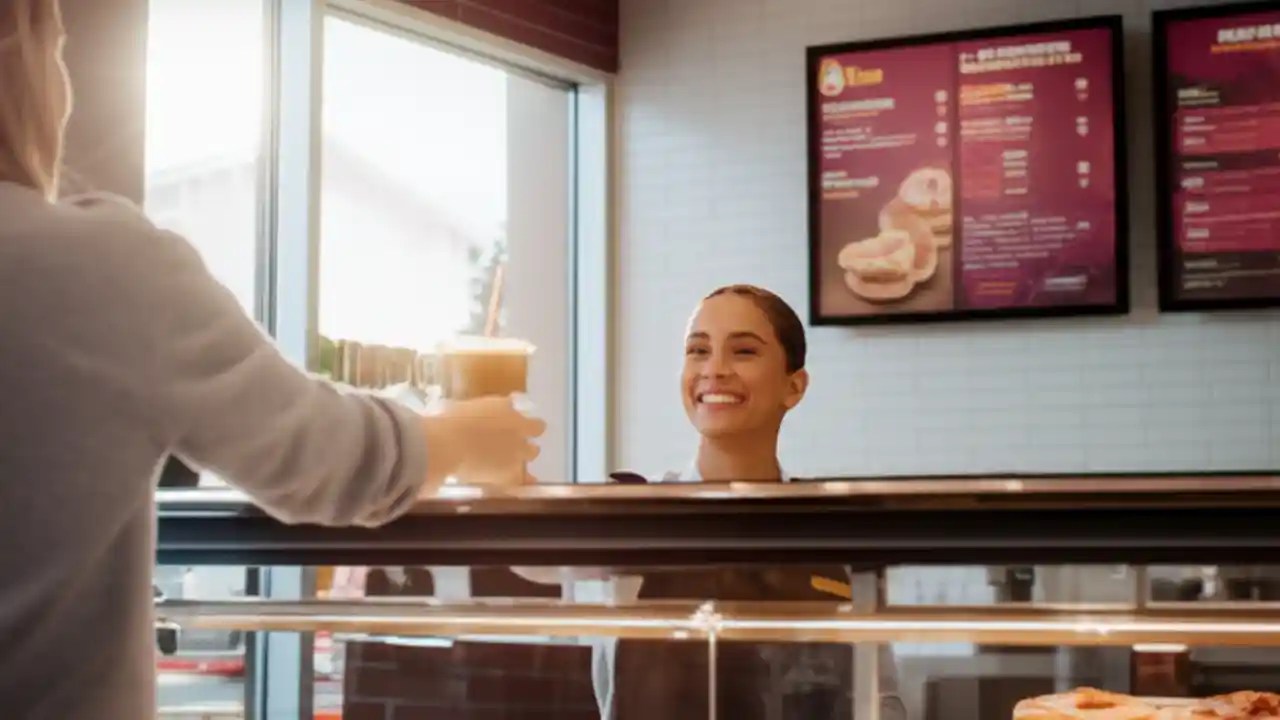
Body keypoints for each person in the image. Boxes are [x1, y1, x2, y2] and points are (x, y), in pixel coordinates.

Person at [0, 1, 543, 718]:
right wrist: (464, 435)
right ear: (21, 55)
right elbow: (322, 457)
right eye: (58, 49)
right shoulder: (100, 266)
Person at [520, 285, 902, 719]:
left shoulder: (833, 528)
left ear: (793, 387)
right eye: (698, 350)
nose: (714, 369)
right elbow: (529, 560)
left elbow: (879, 698)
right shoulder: (635, 511)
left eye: (743, 351)